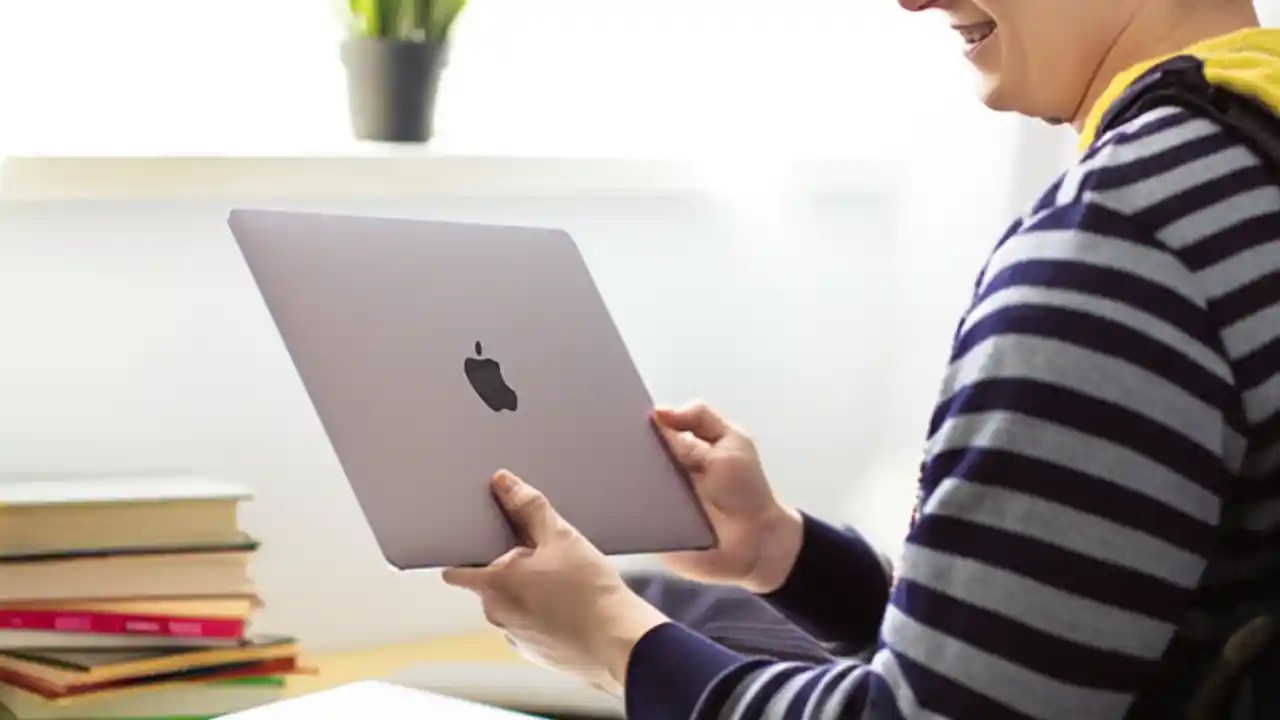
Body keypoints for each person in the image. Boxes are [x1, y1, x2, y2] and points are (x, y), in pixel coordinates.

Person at [443, 0, 1280, 717]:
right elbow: (1048, 662)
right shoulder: (1241, 164)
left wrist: (615, 643)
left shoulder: (1118, 247)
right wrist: (783, 553)